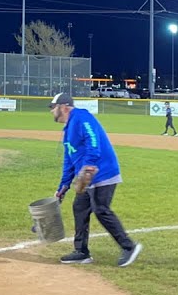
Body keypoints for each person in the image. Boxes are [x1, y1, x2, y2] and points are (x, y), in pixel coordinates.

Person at [49, 92, 142, 268]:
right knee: (79, 208)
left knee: (100, 209)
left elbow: (93, 140)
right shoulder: (68, 130)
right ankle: (81, 252)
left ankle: (129, 247)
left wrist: (89, 166)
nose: (51, 111)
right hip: (86, 178)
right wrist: (63, 187)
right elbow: (69, 161)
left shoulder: (81, 117)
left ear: (64, 107)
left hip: (103, 172)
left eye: (53, 107)